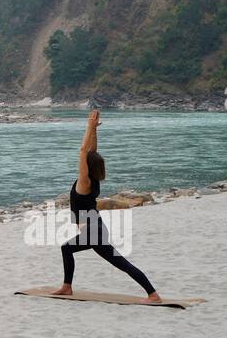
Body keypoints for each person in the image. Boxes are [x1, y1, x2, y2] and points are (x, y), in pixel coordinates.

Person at [54, 109, 160, 301]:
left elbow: (83, 151)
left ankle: (152, 294)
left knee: (121, 263)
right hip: (95, 229)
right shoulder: (93, 180)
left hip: (93, 232)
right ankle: (67, 286)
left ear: (87, 167)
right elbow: (91, 151)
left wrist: (88, 127)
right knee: (67, 248)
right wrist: (94, 129)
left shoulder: (84, 182)